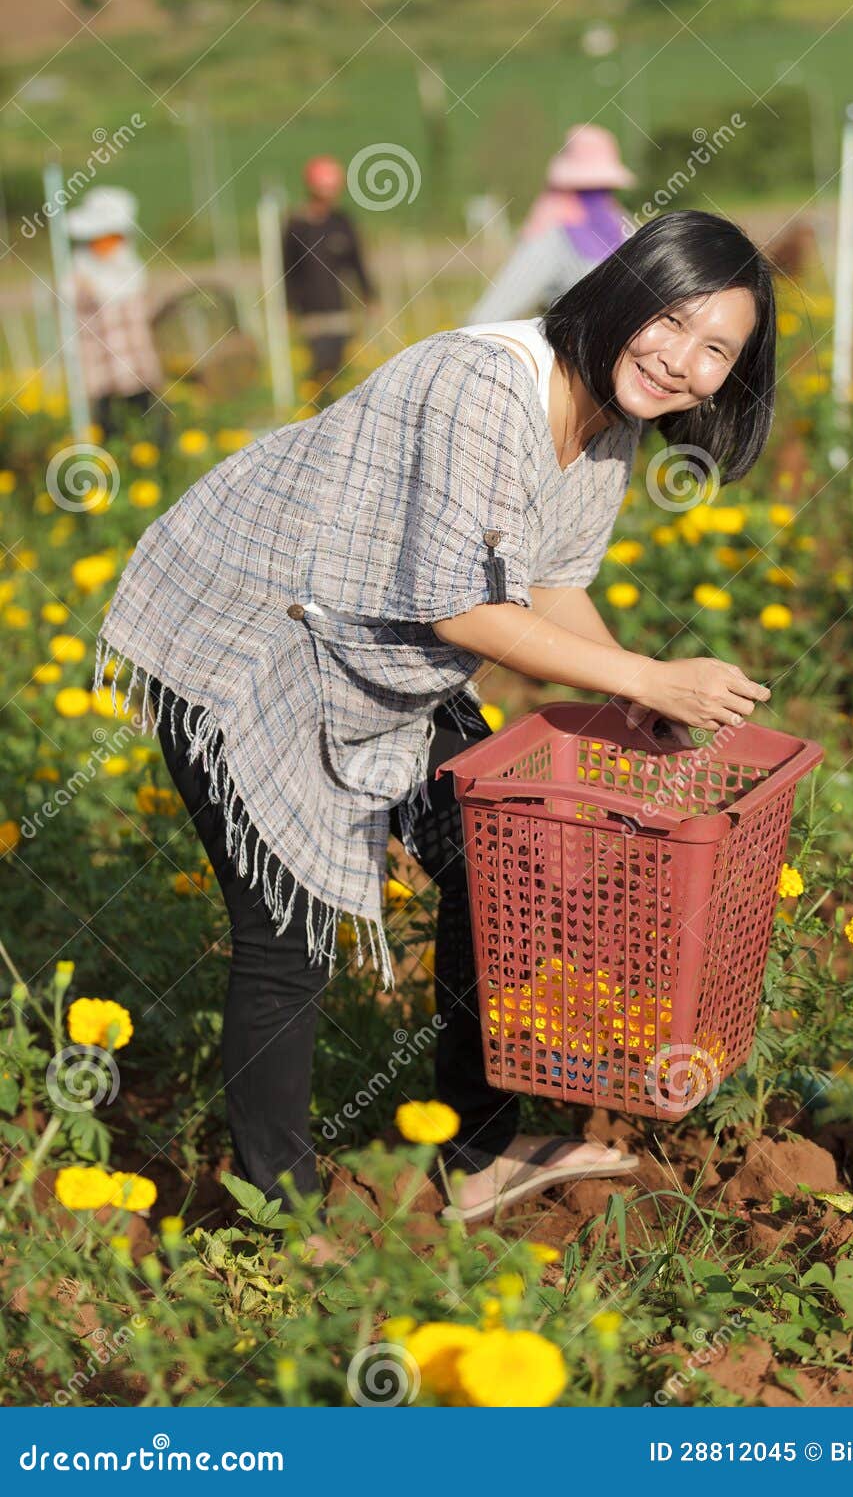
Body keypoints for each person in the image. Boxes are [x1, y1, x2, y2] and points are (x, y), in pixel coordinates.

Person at [91, 209, 776, 1248]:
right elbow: (464, 610)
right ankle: (277, 1223)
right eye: (670, 320)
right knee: (288, 941)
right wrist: (649, 676)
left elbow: (545, 585)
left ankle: (475, 1151)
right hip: (246, 636)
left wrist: (627, 720)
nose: (680, 359)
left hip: (378, 650)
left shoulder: (606, 428)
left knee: (493, 863)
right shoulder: (481, 387)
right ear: (619, 291)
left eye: (715, 348)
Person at [466, 123, 635, 324]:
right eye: (588, 188)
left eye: (602, 187)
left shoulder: (618, 222)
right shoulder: (550, 234)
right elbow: (491, 313)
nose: (597, 194)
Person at [64, 187, 166, 443]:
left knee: (149, 414)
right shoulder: (79, 274)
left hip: (136, 360)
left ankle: (156, 453)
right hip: (101, 364)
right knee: (107, 423)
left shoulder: (131, 268)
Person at [282, 155, 377, 387]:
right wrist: (287, 307)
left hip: (341, 312)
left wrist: (369, 295)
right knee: (320, 369)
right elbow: (287, 270)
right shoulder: (296, 226)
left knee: (340, 369)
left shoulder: (342, 222)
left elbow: (357, 262)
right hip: (310, 315)